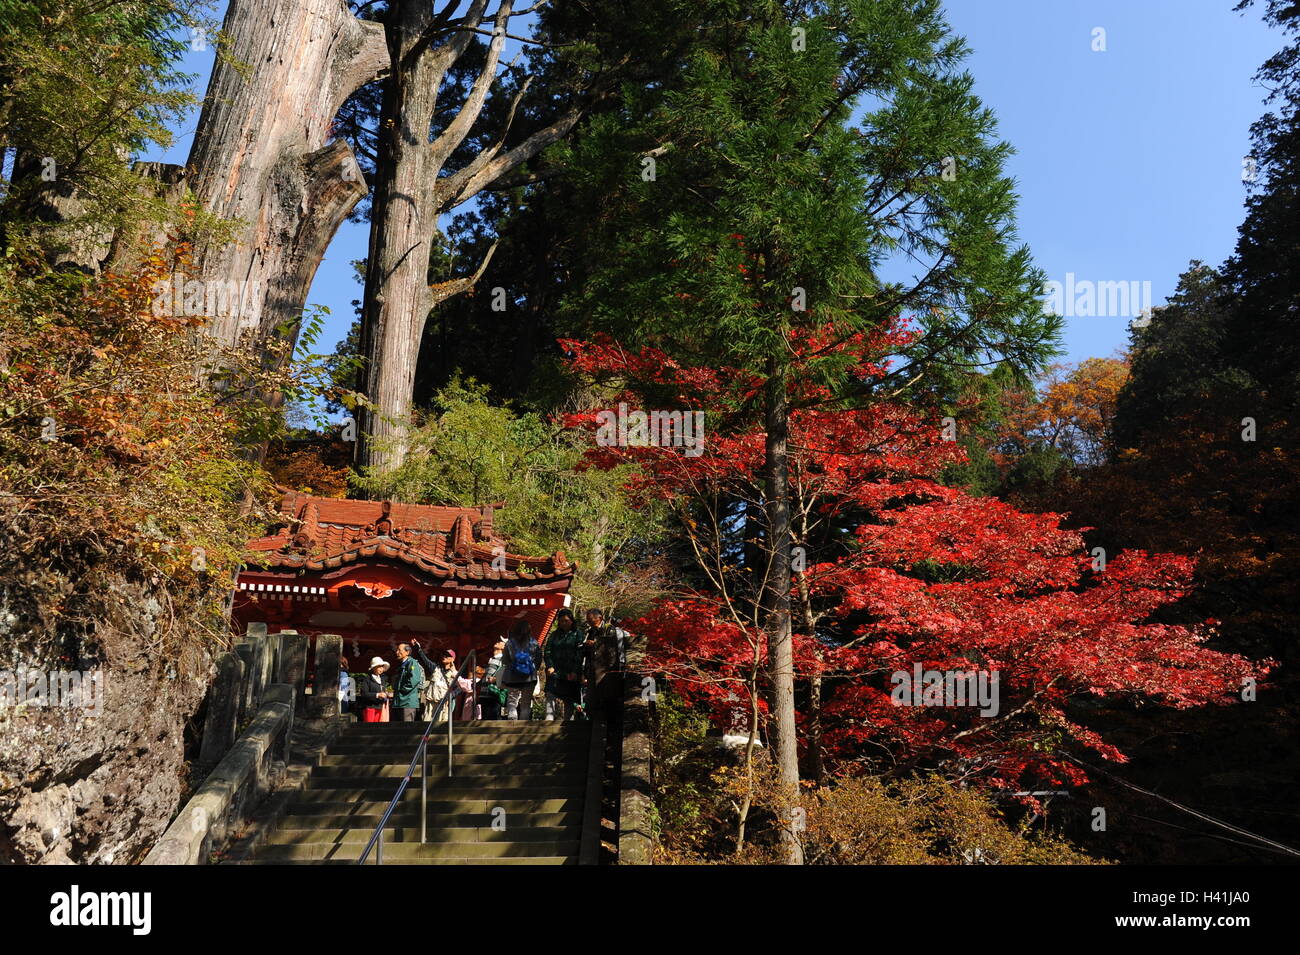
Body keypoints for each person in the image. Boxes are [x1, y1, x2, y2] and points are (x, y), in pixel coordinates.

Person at [583, 608, 625, 725]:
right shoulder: (590, 631)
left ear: (599, 618)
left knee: (605, 698)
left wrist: (596, 643)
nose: (589, 623)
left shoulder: (609, 629)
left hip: (606, 670)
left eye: (591, 620)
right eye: (588, 621)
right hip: (592, 668)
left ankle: (604, 724)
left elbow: (612, 649)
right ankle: (592, 722)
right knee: (591, 698)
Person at [544, 609, 584, 721]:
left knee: (569, 698)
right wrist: (549, 666)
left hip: (571, 671)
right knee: (550, 694)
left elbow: (580, 654)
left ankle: (568, 724)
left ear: (571, 621)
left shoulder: (578, 634)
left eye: (566, 620)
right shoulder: (554, 635)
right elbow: (547, 651)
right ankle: (548, 720)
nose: (564, 623)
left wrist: (575, 671)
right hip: (555, 670)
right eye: (561, 621)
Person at [499, 620, 540, 720]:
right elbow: (538, 659)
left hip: (512, 676)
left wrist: (512, 666)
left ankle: (512, 719)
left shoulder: (510, 643)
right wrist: (533, 669)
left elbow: (504, 660)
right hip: (529, 677)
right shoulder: (534, 643)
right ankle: (523, 723)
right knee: (526, 703)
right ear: (529, 631)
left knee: (512, 700)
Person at [392, 642, 424, 721]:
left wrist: (400, 690)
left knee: (407, 730)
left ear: (407, 652)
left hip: (408, 702)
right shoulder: (402, 665)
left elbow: (414, 680)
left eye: (399, 650)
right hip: (399, 703)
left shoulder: (412, 663)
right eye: (397, 650)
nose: (397, 652)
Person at [355, 657, 390, 722]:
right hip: (370, 707)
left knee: (377, 728)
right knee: (369, 728)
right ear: (374, 667)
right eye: (379, 667)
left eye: (382, 666)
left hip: (380, 707)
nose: (381, 669)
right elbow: (364, 694)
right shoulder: (367, 679)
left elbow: (383, 691)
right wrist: (377, 695)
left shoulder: (382, 679)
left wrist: (386, 694)